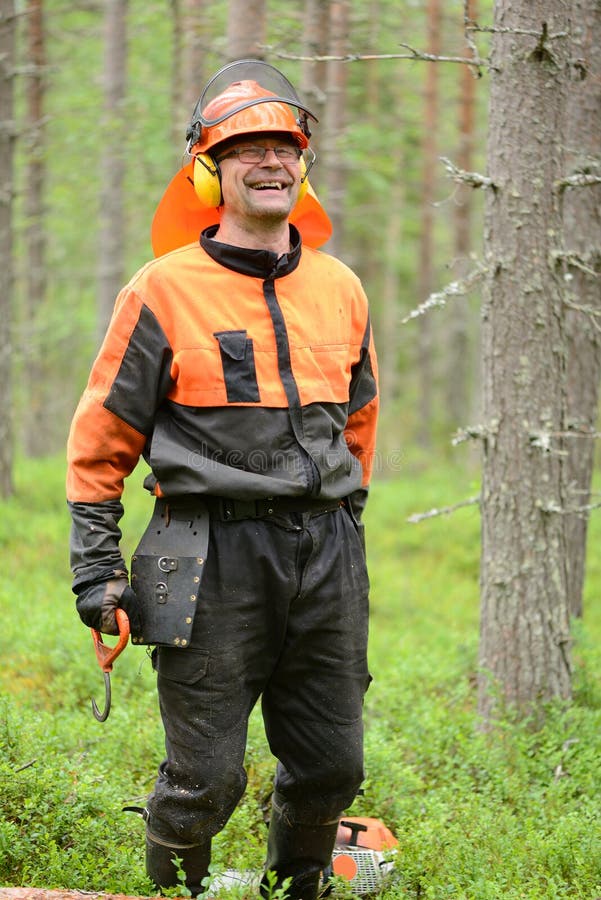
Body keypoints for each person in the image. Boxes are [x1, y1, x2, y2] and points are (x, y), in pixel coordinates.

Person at [67, 59, 379, 900]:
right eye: (246, 148)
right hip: (205, 553)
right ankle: (177, 892)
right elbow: (101, 438)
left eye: (284, 145)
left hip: (325, 554)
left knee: (331, 765)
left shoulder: (341, 288)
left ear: (302, 163)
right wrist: (96, 570)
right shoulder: (162, 290)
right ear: (210, 169)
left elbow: (359, 419)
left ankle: (296, 888)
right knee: (206, 779)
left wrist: (343, 523)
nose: (269, 161)